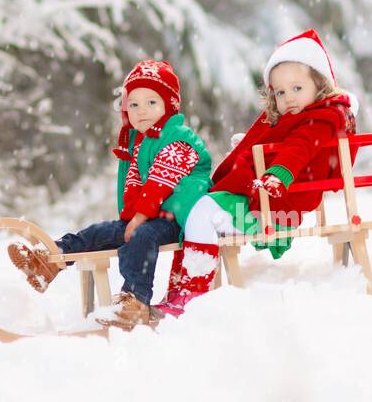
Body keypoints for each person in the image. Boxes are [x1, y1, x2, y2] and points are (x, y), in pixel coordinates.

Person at [154, 29, 360, 316]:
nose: (288, 98)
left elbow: (299, 148)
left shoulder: (319, 119)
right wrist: (254, 152)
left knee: (200, 212)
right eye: (280, 92)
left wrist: (278, 173)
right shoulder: (292, 119)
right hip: (257, 200)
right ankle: (182, 288)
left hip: (271, 211)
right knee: (192, 208)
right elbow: (288, 143)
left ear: (320, 86)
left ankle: (193, 293)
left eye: (297, 88)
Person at [6, 60, 211, 331]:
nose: (142, 111)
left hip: (179, 217)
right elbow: (136, 183)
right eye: (134, 105)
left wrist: (137, 220)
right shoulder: (143, 140)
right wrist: (128, 219)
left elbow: (160, 183)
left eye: (151, 102)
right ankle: (50, 260)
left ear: (169, 106)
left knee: (141, 237)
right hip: (150, 215)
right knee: (99, 232)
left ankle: (135, 301)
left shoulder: (179, 139)